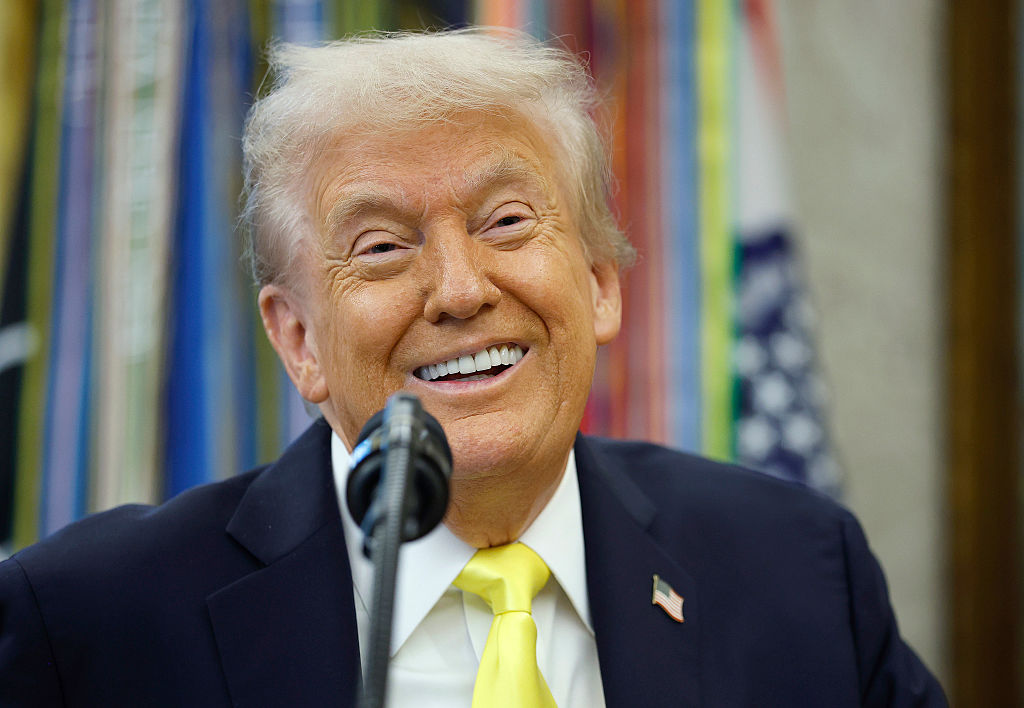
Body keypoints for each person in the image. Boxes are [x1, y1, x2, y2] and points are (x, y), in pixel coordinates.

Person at [0, 29, 945, 707]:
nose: (458, 290)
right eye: (380, 247)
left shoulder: (801, 573)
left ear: (600, 283)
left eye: (506, 222)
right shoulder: (89, 625)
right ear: (298, 341)